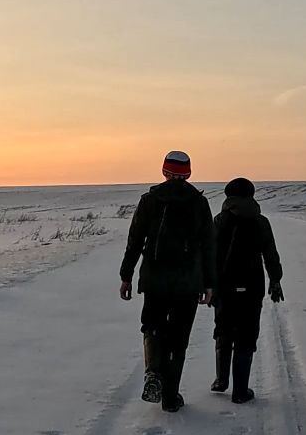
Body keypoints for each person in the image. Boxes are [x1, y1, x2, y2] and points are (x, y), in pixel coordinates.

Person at [119, 150, 215, 413]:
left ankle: (152, 372)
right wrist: (209, 283)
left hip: (154, 280)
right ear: (188, 173)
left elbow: (135, 242)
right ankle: (171, 398)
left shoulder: (150, 200)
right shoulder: (199, 203)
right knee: (179, 337)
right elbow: (209, 246)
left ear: (164, 171)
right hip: (188, 283)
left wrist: (126, 276)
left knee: (152, 327)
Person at [209, 177, 284, 403]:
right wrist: (275, 280)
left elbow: (209, 255)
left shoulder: (219, 221)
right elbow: (271, 255)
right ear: (251, 196)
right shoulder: (261, 222)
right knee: (246, 334)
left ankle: (221, 380)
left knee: (223, 328)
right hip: (252, 287)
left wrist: (208, 284)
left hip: (223, 287)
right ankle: (241, 391)